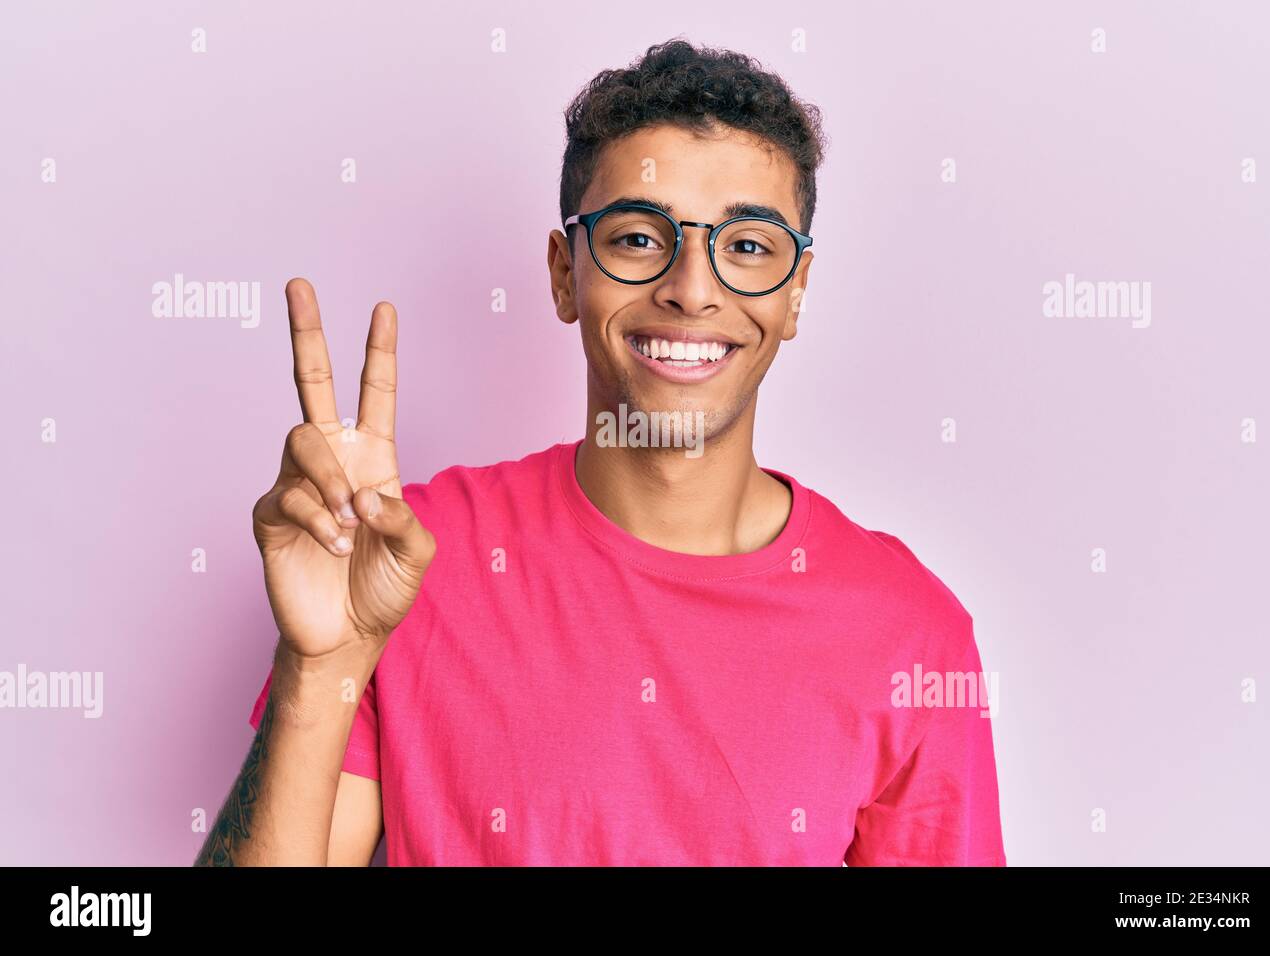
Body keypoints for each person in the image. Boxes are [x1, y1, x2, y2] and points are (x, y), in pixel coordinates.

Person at [196, 38, 1006, 867]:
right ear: (562, 272)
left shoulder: (911, 632)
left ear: (795, 294)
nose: (693, 287)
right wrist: (318, 667)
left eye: (749, 247)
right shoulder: (405, 557)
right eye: (637, 238)